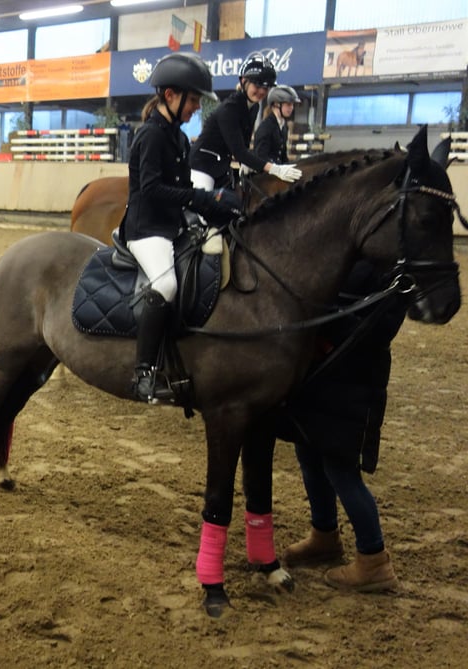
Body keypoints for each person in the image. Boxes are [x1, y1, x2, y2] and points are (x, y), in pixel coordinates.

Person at [277, 261, 408, 592]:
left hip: (355, 380)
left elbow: (378, 327)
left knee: (340, 468)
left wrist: (317, 312)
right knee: (308, 452)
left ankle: (374, 560)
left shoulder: (393, 264)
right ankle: (324, 536)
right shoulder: (351, 244)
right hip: (322, 373)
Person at [118, 53, 241, 403]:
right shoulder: (151, 137)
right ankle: (143, 373)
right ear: (171, 95)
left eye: (199, 101)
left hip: (172, 225)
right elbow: (152, 190)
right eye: (194, 100)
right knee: (167, 284)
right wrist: (202, 200)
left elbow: (185, 188)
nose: (196, 108)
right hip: (146, 228)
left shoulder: (179, 138)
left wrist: (214, 203)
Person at [190, 54, 302, 191]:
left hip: (222, 167)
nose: (261, 91)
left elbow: (245, 142)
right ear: (244, 81)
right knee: (201, 207)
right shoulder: (229, 108)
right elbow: (239, 151)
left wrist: (248, 163)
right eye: (257, 85)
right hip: (203, 164)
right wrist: (274, 169)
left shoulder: (254, 107)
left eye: (266, 88)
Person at [254, 84, 301, 166]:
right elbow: (261, 157)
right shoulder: (266, 127)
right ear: (276, 104)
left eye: (292, 105)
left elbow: (282, 156)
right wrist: (277, 169)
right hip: (265, 175)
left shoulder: (284, 126)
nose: (292, 108)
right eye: (288, 104)